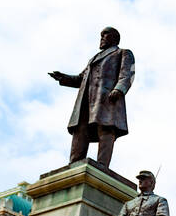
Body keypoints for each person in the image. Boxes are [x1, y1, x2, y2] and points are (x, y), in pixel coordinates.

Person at [49, 26, 134, 168]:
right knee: (80, 129)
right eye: (101, 35)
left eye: (105, 34)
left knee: (106, 128)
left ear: (115, 38)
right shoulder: (93, 59)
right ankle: (74, 163)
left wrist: (119, 89)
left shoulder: (122, 53)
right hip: (86, 101)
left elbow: (127, 75)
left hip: (106, 97)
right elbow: (81, 79)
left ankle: (102, 165)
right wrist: (63, 78)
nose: (101, 38)